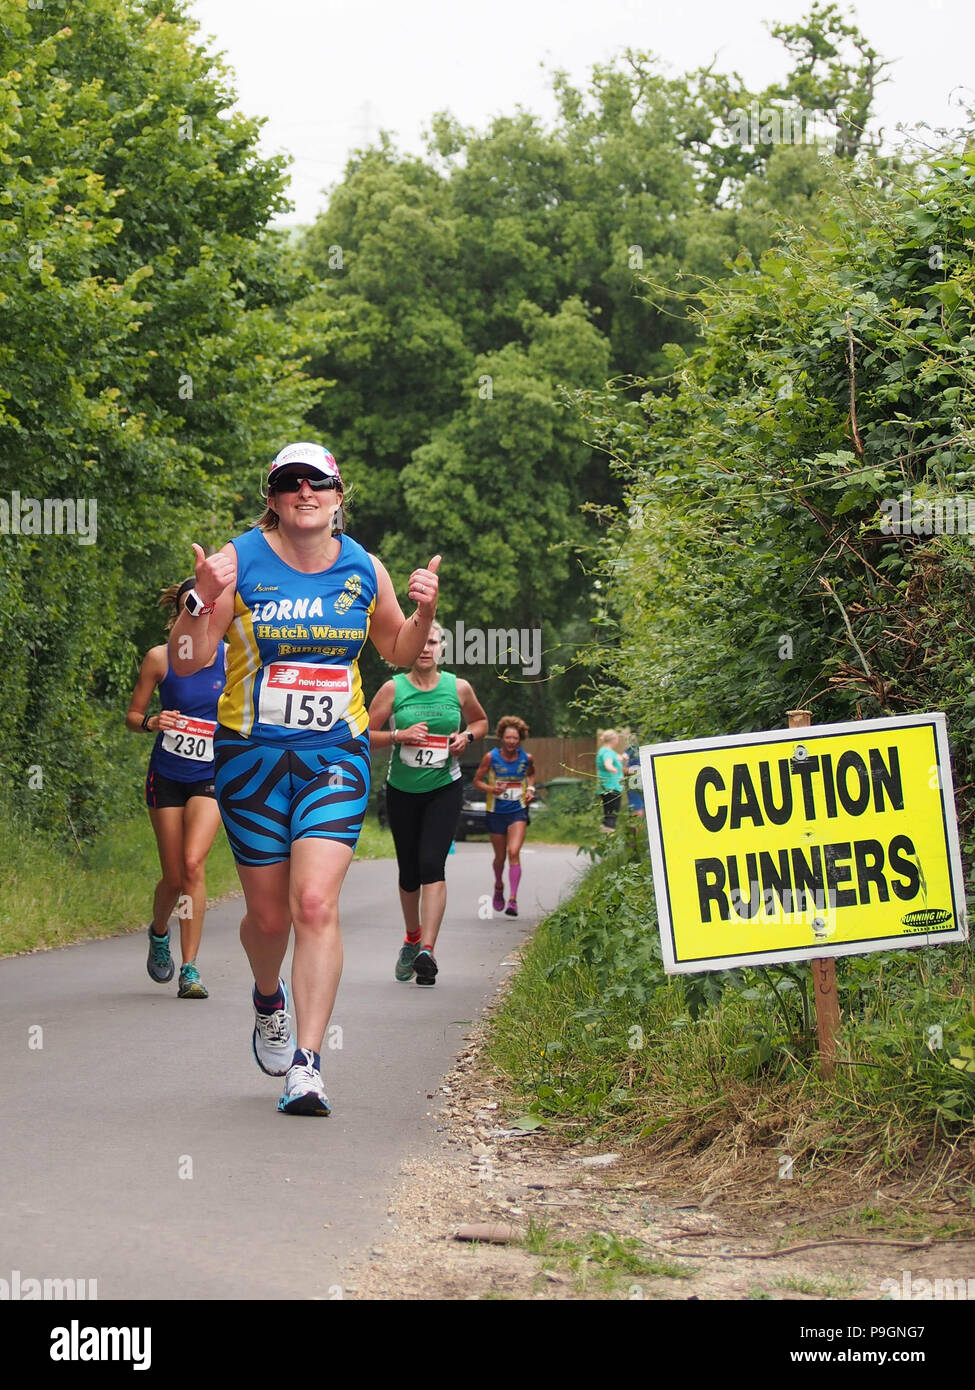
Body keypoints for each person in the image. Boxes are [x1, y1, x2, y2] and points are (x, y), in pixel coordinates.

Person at [169, 441, 440, 1116]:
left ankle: (308, 1065)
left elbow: (396, 650)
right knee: (267, 916)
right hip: (250, 759)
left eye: (316, 481)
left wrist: (424, 612)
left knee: (314, 904)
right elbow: (184, 660)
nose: (303, 492)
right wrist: (199, 599)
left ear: (338, 493)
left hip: (333, 757)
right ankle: (268, 1001)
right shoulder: (237, 562)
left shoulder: (361, 566)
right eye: (288, 483)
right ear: (271, 497)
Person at [368, 622, 488, 987]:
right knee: (409, 871)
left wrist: (466, 736)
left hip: (444, 787)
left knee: (431, 863)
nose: (424, 648)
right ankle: (412, 938)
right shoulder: (393, 689)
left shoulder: (459, 687)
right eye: (418, 641)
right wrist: (397, 735)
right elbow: (362, 734)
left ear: (441, 648)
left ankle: (428, 951)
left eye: (431, 641)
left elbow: (481, 721)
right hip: (402, 790)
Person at [125, 578, 225, 999]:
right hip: (167, 774)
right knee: (172, 876)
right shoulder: (159, 658)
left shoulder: (235, 658)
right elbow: (133, 715)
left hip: (211, 774)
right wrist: (152, 722)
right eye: (192, 605)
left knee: (192, 865)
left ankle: (190, 968)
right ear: (182, 611)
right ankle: (159, 931)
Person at [472, 716, 535, 917]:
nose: (511, 742)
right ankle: (499, 885)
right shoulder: (491, 757)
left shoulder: (527, 758)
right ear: (501, 738)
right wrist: (492, 789)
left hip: (518, 811)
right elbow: (477, 781)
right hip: (496, 812)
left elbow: (531, 775)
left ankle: (513, 900)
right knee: (500, 857)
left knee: (513, 852)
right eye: (508, 738)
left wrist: (530, 788)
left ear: (520, 739)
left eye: (515, 738)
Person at [596, 728, 626, 832]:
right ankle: (609, 839)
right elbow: (607, 763)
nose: (618, 740)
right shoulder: (608, 753)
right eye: (617, 738)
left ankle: (605, 840)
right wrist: (612, 769)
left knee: (607, 815)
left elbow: (618, 757)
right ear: (613, 739)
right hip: (611, 788)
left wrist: (623, 757)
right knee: (612, 815)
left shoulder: (604, 751)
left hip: (605, 787)